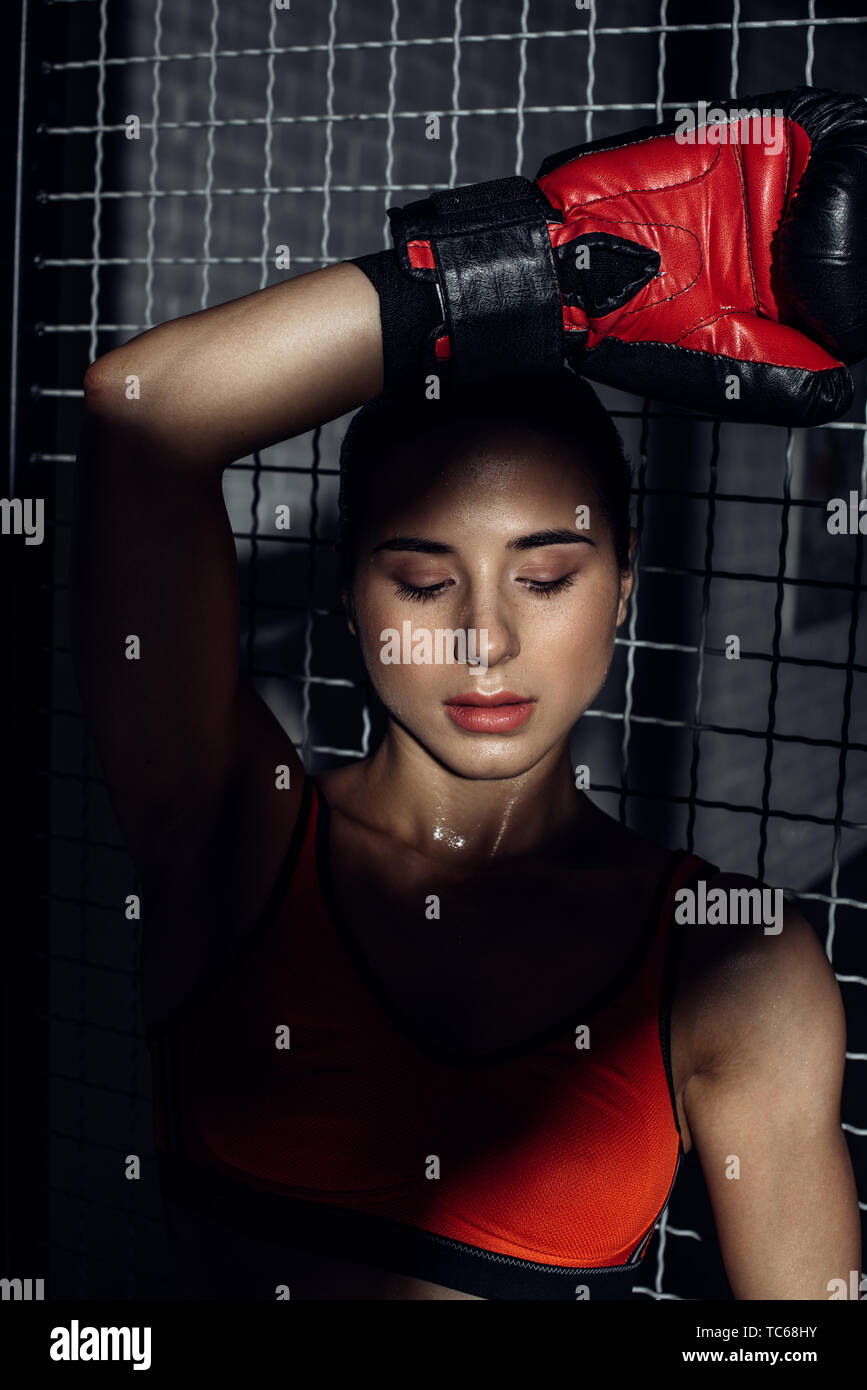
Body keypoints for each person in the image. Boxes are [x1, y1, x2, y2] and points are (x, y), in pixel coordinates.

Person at [72, 253, 859, 1300]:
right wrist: (543, 260)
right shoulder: (230, 832)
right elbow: (144, 404)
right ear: (351, 595)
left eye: (544, 578)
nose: (483, 640)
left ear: (622, 586)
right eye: (425, 581)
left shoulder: (736, 961)